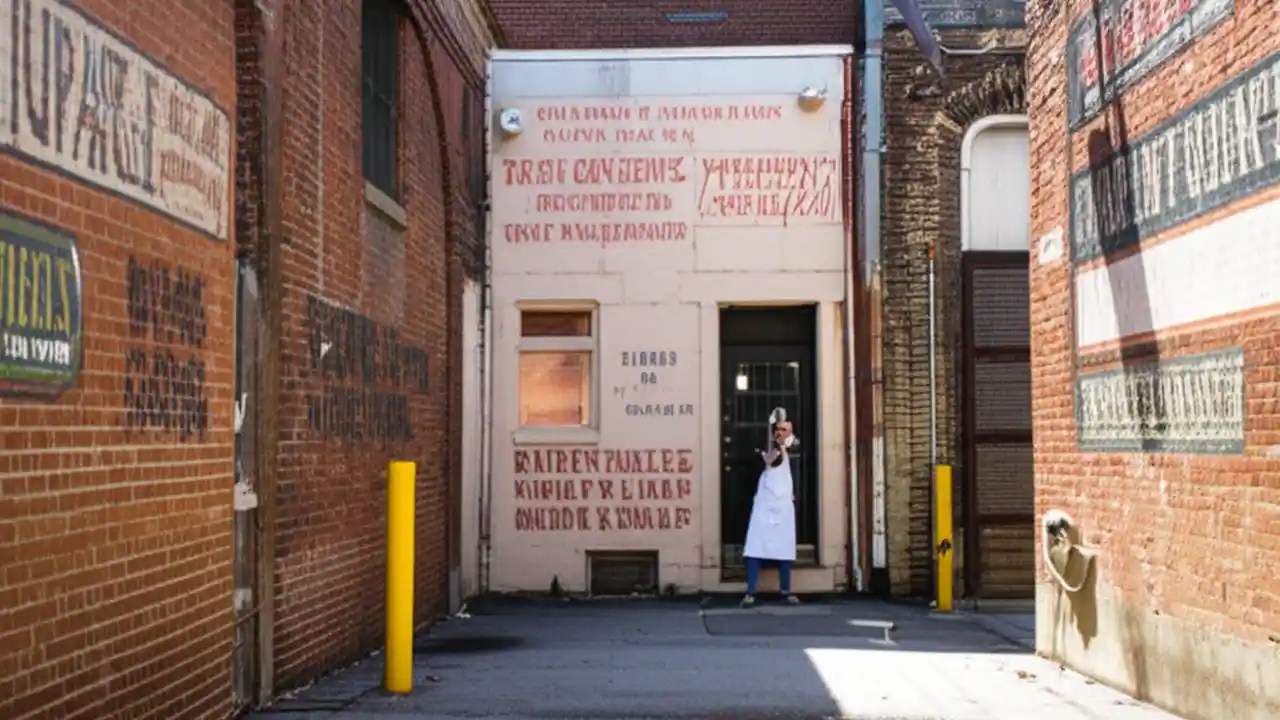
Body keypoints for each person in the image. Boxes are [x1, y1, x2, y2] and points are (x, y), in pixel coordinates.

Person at [740, 416, 799, 608]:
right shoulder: (765, 449)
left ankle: (785, 590)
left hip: (783, 509)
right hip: (764, 508)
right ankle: (751, 591)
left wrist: (785, 443)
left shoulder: (793, 448)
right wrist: (766, 458)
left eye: (784, 430)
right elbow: (760, 463)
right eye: (778, 429)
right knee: (755, 548)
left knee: (784, 550)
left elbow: (795, 447)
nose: (780, 433)